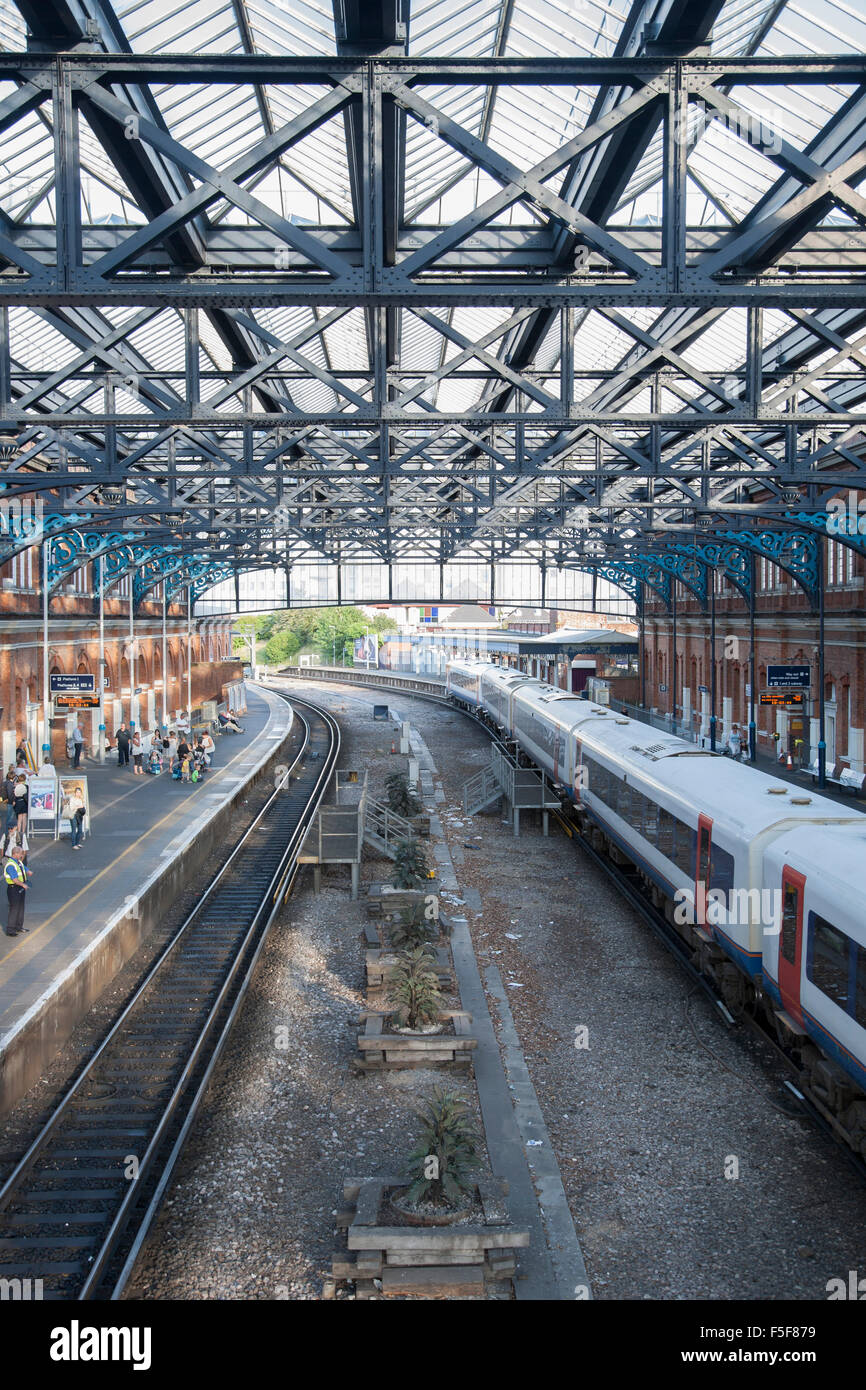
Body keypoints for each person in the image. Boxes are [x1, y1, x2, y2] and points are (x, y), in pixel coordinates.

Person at [4, 846, 29, 937]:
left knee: (21, 907)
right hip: (14, 888)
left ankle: (19, 926)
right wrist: (23, 885)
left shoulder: (18, 862)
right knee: (14, 909)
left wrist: (28, 871)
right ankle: (10, 929)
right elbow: (14, 878)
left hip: (20, 888)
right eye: (21, 853)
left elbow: (23, 868)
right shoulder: (11, 865)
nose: (22, 855)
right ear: (15, 854)